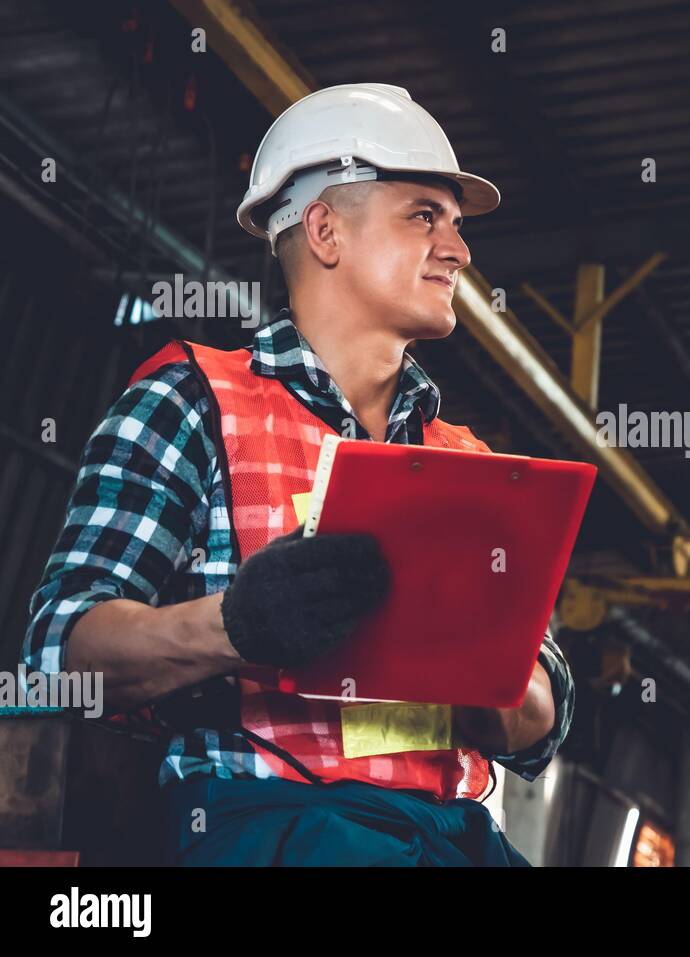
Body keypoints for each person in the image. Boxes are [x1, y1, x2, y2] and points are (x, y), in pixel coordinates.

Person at [22, 83, 574, 866]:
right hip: (262, 824)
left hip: (451, 838)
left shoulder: (473, 465)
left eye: (455, 225)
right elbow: (54, 659)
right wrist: (236, 625)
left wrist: (482, 667)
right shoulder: (191, 402)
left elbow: (541, 717)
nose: (459, 249)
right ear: (324, 231)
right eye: (425, 215)